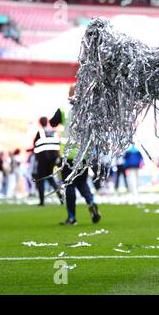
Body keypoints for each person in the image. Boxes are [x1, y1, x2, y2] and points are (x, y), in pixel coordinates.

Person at [49, 84, 101, 226]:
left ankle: (72, 217)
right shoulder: (88, 109)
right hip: (83, 154)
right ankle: (91, 202)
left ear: (69, 94)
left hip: (68, 155)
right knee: (82, 183)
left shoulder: (64, 109)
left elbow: (52, 123)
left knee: (69, 184)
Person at [33, 116, 63, 206]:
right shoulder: (54, 132)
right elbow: (58, 143)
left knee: (40, 179)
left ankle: (42, 201)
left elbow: (35, 144)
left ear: (40, 123)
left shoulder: (40, 132)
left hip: (43, 158)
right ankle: (60, 197)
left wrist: (36, 156)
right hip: (53, 158)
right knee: (50, 177)